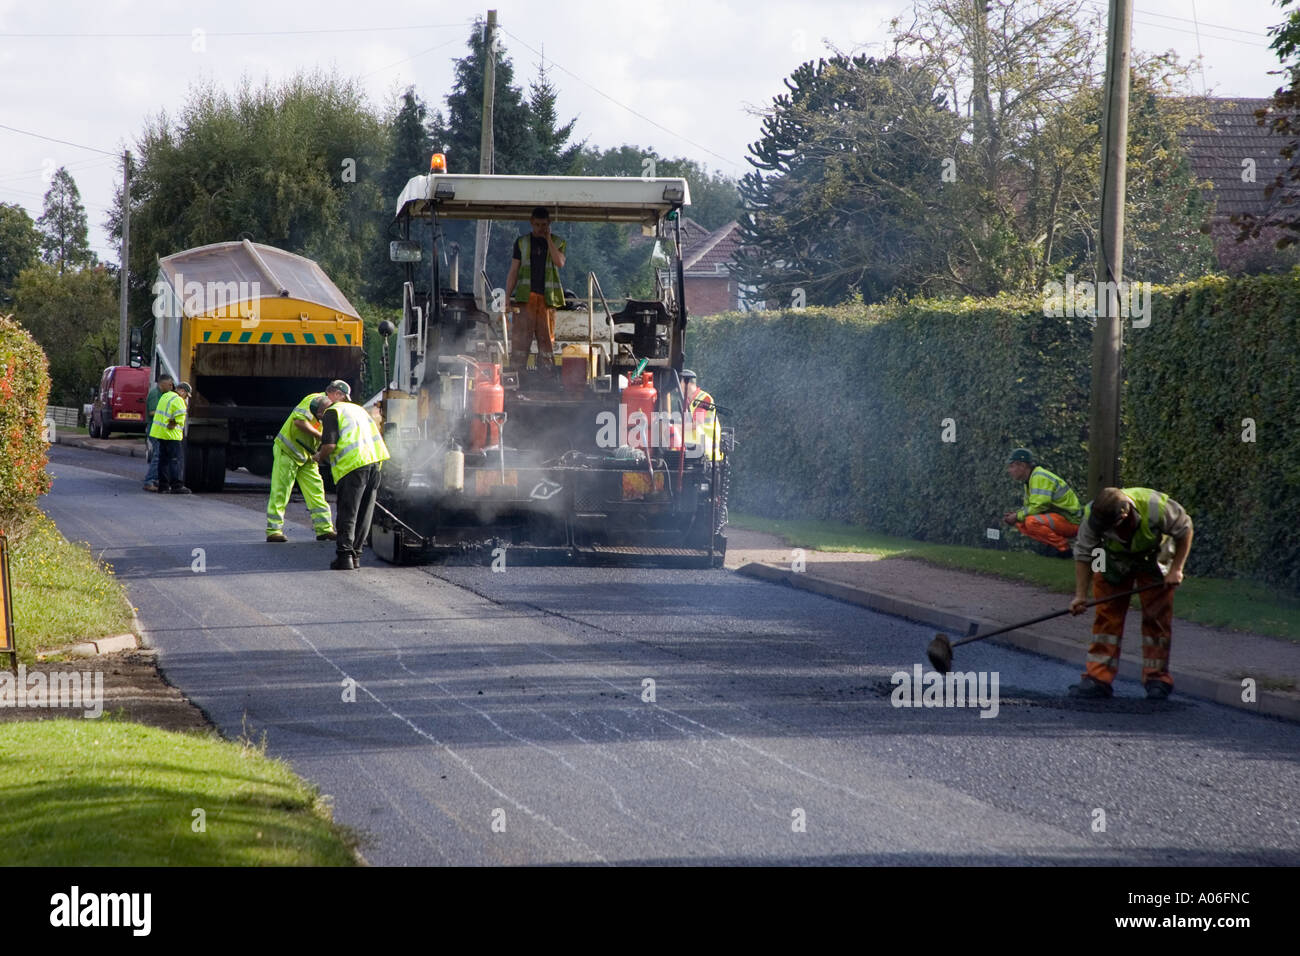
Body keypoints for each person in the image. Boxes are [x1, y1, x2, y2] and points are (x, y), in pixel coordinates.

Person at [1067, 486, 1194, 700]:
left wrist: (1176, 569)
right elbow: (1084, 553)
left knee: (1157, 618)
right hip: (1113, 560)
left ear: (1124, 514)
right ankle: (1098, 678)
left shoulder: (1156, 507)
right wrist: (1080, 595)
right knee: (1107, 616)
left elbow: (1185, 529)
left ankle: (1157, 679)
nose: (1106, 531)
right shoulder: (1093, 516)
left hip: (1152, 560)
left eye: (1110, 527)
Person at [315, 393, 390, 570]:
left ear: (321, 409)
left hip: (353, 465)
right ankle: (356, 555)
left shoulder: (332, 412)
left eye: (318, 416)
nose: (319, 419)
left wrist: (319, 456)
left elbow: (330, 445)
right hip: (375, 461)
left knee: (348, 511)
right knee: (365, 511)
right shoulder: (358, 410)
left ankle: (344, 556)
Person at [265, 390, 338, 543]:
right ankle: (274, 531)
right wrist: (322, 437)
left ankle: (324, 529)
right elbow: (299, 422)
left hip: (307, 456)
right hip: (288, 451)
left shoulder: (332, 409)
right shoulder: (314, 400)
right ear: (336, 393)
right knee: (281, 490)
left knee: (316, 491)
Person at [504, 206, 566, 372]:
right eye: (537, 224)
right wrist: (507, 298)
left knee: (546, 341)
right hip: (525, 298)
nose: (540, 228)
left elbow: (559, 262)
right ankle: (516, 376)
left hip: (546, 300)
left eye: (544, 225)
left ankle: (546, 377)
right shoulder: (521, 243)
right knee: (521, 341)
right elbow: (514, 271)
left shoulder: (558, 242)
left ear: (549, 224)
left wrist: (548, 240)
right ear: (531, 222)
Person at [1002, 448, 1082, 555]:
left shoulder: (1039, 477)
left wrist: (1016, 516)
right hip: (1063, 519)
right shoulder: (1031, 479)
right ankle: (1053, 547)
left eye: (1012, 466)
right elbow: (1030, 507)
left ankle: (1063, 549)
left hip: (1072, 522)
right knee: (1022, 522)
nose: (1009, 470)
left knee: (1031, 522)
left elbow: (1038, 506)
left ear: (1022, 466)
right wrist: (1016, 516)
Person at [151, 382, 192, 494]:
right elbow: (179, 419)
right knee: (175, 460)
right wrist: (173, 423)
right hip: (172, 435)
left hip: (160, 433)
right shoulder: (179, 400)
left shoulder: (166, 395)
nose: (185, 398)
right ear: (182, 391)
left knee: (163, 461)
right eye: (186, 395)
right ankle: (177, 485)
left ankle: (163, 486)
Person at [142, 373, 173, 492]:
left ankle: (155, 480)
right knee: (158, 455)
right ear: (162, 383)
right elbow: (152, 412)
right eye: (169, 384)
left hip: (158, 428)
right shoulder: (155, 394)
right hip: (154, 429)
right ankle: (149, 481)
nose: (171, 386)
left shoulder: (163, 394)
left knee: (160, 455)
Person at [680, 369, 721, 460]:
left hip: (706, 456)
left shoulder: (704, 399)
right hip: (693, 454)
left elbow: (696, 424)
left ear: (687, 383)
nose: (679, 387)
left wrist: (673, 427)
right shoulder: (688, 402)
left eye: (680, 383)